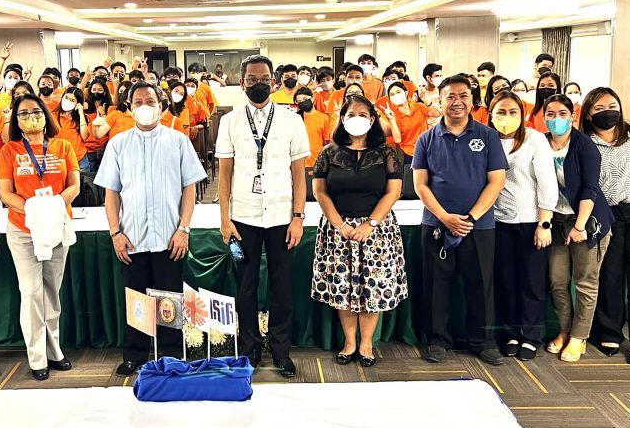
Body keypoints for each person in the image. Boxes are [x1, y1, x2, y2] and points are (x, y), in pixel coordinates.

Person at [95, 83, 205, 375]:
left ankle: (170, 352)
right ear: (130, 107)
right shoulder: (118, 144)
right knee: (138, 299)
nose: (145, 106)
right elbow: (111, 194)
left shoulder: (178, 141)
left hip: (171, 237)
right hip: (132, 238)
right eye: (138, 101)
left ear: (161, 105)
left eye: (151, 101)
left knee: (170, 300)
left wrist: (184, 228)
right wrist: (115, 233)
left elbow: (189, 189)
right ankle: (135, 353)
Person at [217, 55, 310, 377]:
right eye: (251, 79)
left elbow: (300, 174)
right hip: (244, 215)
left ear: (274, 81)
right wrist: (224, 218)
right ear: (241, 83)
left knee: (282, 287)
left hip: (282, 216)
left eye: (264, 78)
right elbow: (224, 174)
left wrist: (298, 216)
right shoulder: (229, 121)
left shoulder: (291, 120)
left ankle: (281, 351)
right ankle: (250, 347)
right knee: (246, 286)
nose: (258, 84)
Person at [412, 75, 508, 366]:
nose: (457, 102)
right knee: (436, 285)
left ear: (472, 100)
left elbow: (497, 181)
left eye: (463, 96)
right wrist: (445, 218)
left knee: (481, 284)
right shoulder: (427, 138)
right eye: (450, 96)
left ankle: (482, 341)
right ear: (439, 100)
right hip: (436, 225)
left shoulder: (487, 136)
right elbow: (420, 184)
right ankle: (438, 340)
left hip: (478, 226)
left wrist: (470, 218)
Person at [311, 95, 408, 367]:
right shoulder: (328, 152)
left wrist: (370, 224)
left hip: (377, 231)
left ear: (373, 119)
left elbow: (394, 191)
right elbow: (320, 192)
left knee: (372, 289)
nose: (357, 119)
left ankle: (366, 344)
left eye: (363, 114)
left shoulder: (386, 153)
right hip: (337, 230)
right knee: (343, 287)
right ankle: (349, 342)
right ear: (342, 119)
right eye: (351, 114)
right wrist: (340, 225)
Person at [0, 94, 81, 379]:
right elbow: (5, 193)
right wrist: (34, 208)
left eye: (36, 111)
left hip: (56, 226)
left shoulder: (63, 146)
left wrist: (54, 205)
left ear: (46, 115)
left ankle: (54, 348)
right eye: (23, 114)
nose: (30, 117)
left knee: (50, 291)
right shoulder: (9, 150)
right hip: (24, 229)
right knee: (31, 292)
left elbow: (75, 185)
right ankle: (36, 357)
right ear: (16, 121)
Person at [580, 87, 630, 363]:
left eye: (611, 106)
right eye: (599, 109)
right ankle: (609, 332)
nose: (607, 112)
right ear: (589, 114)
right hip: (607, 213)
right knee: (610, 274)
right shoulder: (584, 141)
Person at [487, 92, 557, 361]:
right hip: (497, 221)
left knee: (531, 282)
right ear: (491, 114)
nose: (506, 118)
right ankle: (510, 334)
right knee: (505, 281)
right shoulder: (486, 139)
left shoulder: (534, 140)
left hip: (530, 221)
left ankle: (531, 336)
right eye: (501, 112)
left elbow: (547, 183)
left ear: (522, 114)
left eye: (512, 112)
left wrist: (545, 222)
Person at [542, 95, 613, 363]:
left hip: (587, 221)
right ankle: (563, 330)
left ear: (573, 116)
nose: (556, 119)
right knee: (557, 280)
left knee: (585, 281)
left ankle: (579, 337)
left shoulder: (584, 146)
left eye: (562, 113)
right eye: (550, 113)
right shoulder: (540, 143)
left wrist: (581, 225)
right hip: (557, 221)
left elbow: (589, 188)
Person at [380, 80, 430, 163]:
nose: (396, 95)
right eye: (392, 94)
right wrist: (392, 119)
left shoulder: (419, 107)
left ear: (406, 93)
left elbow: (436, 113)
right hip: (410, 155)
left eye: (398, 92)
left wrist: (426, 100)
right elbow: (397, 139)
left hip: (427, 150)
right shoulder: (393, 115)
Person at [294, 87, 332, 168]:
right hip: (298, 163)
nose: (303, 102)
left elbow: (326, 143)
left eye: (305, 99)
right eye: (299, 101)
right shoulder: (295, 119)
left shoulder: (324, 118)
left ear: (312, 98)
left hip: (317, 163)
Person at [54, 87, 91, 170]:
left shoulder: (81, 118)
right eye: (66, 98)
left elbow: (85, 136)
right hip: (60, 160)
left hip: (80, 160)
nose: (68, 101)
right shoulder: (53, 116)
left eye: (72, 100)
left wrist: (81, 113)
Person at [83, 78, 114, 170]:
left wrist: (104, 114)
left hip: (104, 149)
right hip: (88, 150)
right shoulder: (85, 107)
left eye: (100, 90)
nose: (96, 92)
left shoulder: (110, 108)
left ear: (104, 92)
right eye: (94, 89)